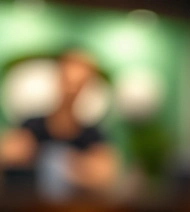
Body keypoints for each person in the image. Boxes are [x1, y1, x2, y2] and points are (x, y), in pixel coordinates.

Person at [0, 49, 118, 200]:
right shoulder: (31, 125)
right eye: (68, 81)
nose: (71, 90)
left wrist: (66, 165)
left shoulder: (92, 134)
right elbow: (8, 153)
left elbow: (106, 174)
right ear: (58, 79)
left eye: (79, 84)